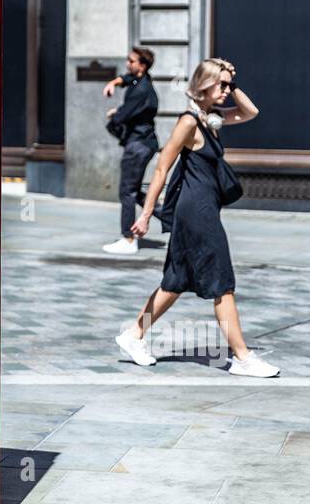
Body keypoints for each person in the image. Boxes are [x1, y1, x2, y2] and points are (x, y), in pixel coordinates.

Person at [115, 57, 279, 378]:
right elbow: (162, 167)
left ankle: (133, 335)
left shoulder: (210, 118)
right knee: (222, 283)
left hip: (203, 207)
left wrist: (231, 80)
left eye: (228, 85)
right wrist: (147, 213)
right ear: (203, 85)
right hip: (196, 212)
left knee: (175, 282)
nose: (226, 90)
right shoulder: (189, 121)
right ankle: (243, 358)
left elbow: (250, 112)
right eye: (221, 85)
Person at [102, 46, 160, 255]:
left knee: (127, 191)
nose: (128, 64)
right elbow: (128, 79)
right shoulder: (142, 81)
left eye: (131, 61)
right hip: (143, 143)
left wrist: (114, 115)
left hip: (138, 145)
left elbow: (122, 116)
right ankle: (170, 218)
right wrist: (114, 82)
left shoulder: (141, 91)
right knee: (134, 191)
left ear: (142, 66)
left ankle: (128, 239)